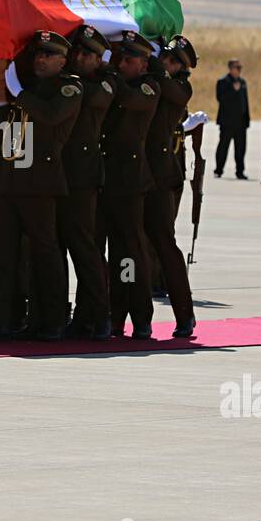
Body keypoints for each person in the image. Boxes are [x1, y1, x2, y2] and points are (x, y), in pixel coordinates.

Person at [0, 32, 82, 341]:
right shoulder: (22, 89)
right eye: (37, 55)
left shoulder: (68, 89)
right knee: (2, 256)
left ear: (62, 60)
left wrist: (17, 93)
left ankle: (53, 320)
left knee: (46, 254)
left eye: (48, 55)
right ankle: (0, 321)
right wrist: (0, 100)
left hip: (38, 184)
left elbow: (49, 116)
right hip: (4, 182)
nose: (40, 60)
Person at [53, 25, 115, 339]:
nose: (80, 57)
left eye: (88, 54)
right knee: (56, 247)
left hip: (82, 178)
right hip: (56, 174)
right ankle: (66, 316)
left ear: (100, 59)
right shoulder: (67, 81)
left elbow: (82, 95)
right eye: (76, 51)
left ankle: (100, 315)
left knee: (85, 249)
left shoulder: (103, 84)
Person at [101, 31, 161, 338]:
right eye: (119, 57)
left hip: (129, 184)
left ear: (143, 62)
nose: (122, 63)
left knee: (131, 255)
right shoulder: (113, 83)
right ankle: (114, 315)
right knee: (115, 257)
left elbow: (127, 98)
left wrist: (107, 70)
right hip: (106, 180)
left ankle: (140, 316)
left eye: (128, 59)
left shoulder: (149, 87)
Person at [143, 36, 201, 338]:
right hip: (135, 175)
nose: (169, 63)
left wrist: (153, 61)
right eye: (167, 57)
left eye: (176, 61)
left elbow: (168, 90)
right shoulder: (149, 77)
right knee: (133, 247)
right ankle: (135, 317)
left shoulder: (179, 88)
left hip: (162, 179)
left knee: (164, 245)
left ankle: (185, 313)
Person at [214, 58, 250, 179]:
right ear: (230, 68)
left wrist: (247, 120)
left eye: (240, 67)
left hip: (240, 122)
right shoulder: (223, 82)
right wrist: (232, 91)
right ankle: (218, 170)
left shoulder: (242, 82)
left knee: (241, 148)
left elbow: (245, 102)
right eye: (237, 67)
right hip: (227, 121)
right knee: (223, 147)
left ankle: (240, 171)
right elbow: (220, 98)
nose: (239, 70)